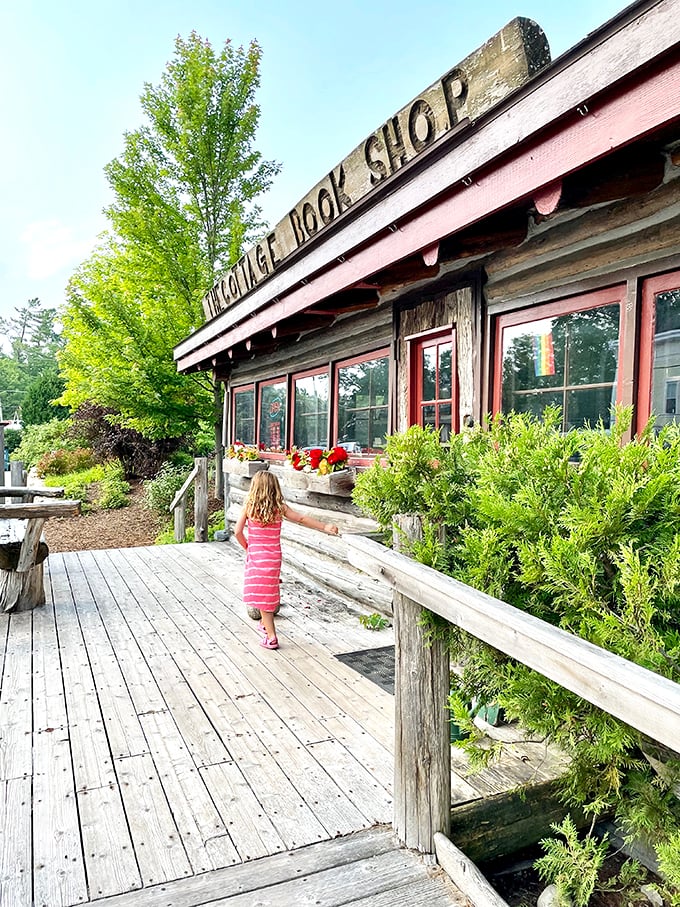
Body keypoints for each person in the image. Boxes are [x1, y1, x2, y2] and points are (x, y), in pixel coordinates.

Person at [233, 471, 339, 650]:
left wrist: (247, 547)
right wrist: (325, 527)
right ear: (274, 488)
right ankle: (265, 624)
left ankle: (272, 637)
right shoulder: (280, 508)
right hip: (273, 556)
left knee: (261, 591)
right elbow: (302, 519)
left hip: (257, 555)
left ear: (255, 487)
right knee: (267, 589)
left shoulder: (249, 507)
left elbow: (237, 532)